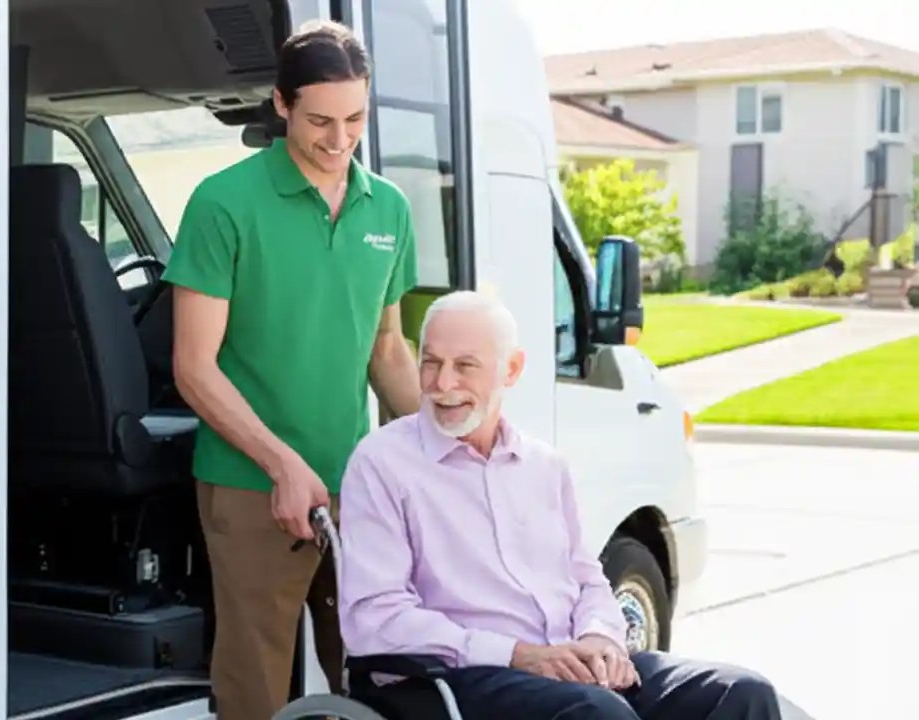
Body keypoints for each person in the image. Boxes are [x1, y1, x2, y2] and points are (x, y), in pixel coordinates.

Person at [337, 289, 782, 719]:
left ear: (510, 370)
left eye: (465, 366)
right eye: (430, 362)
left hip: (565, 664)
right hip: (457, 676)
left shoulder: (543, 466)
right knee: (595, 713)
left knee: (739, 693)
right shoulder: (383, 463)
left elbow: (587, 580)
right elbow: (375, 617)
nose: (442, 383)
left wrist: (600, 638)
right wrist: (517, 655)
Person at [162, 19, 422, 720]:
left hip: (357, 484)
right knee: (256, 690)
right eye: (319, 121)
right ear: (280, 106)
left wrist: (448, 440)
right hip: (249, 483)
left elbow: (389, 350)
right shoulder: (224, 203)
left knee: (378, 674)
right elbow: (193, 366)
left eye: (355, 119)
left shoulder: (389, 210)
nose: (339, 140)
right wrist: (281, 464)